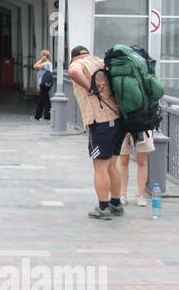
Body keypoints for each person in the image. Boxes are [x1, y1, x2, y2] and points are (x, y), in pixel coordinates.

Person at [67, 45, 125, 220]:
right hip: (118, 120)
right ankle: (116, 203)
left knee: (100, 167)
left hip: (100, 122)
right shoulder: (100, 62)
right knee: (112, 164)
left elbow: (74, 73)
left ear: (74, 57)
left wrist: (90, 87)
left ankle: (103, 208)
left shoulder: (78, 64)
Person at [120, 130, 155, 206]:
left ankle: (141, 195)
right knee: (123, 160)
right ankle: (122, 194)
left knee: (142, 161)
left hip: (143, 126)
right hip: (123, 124)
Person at [32, 49, 53, 121]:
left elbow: (35, 66)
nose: (41, 57)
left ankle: (48, 115)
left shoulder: (47, 64)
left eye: (42, 55)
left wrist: (41, 60)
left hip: (44, 84)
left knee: (46, 99)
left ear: (46, 56)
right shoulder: (47, 63)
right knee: (41, 99)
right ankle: (37, 116)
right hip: (43, 83)